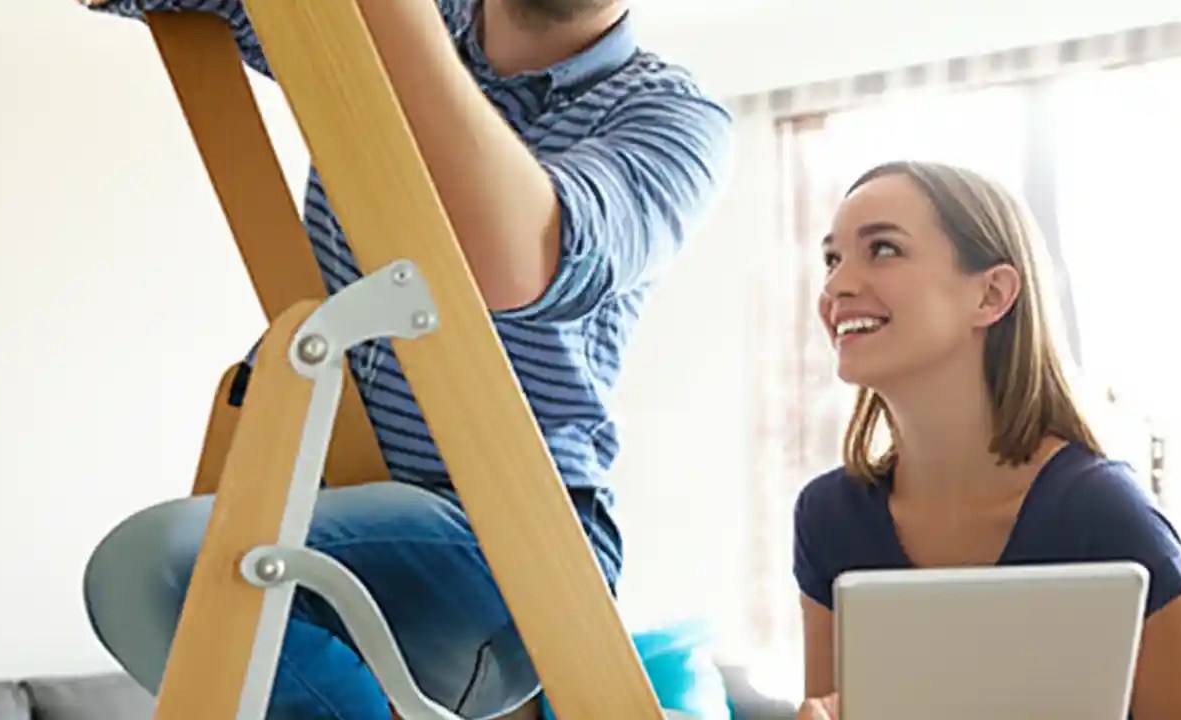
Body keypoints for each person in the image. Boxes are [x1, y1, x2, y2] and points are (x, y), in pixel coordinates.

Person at [78, 0, 733, 718]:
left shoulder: (673, 116)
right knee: (160, 579)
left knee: (162, 569)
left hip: (516, 551)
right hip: (331, 492)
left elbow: (515, 261)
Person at [792, 160, 1181, 720]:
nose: (835, 286)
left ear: (991, 294)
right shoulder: (829, 517)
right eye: (832, 258)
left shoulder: (1105, 514)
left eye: (884, 249)